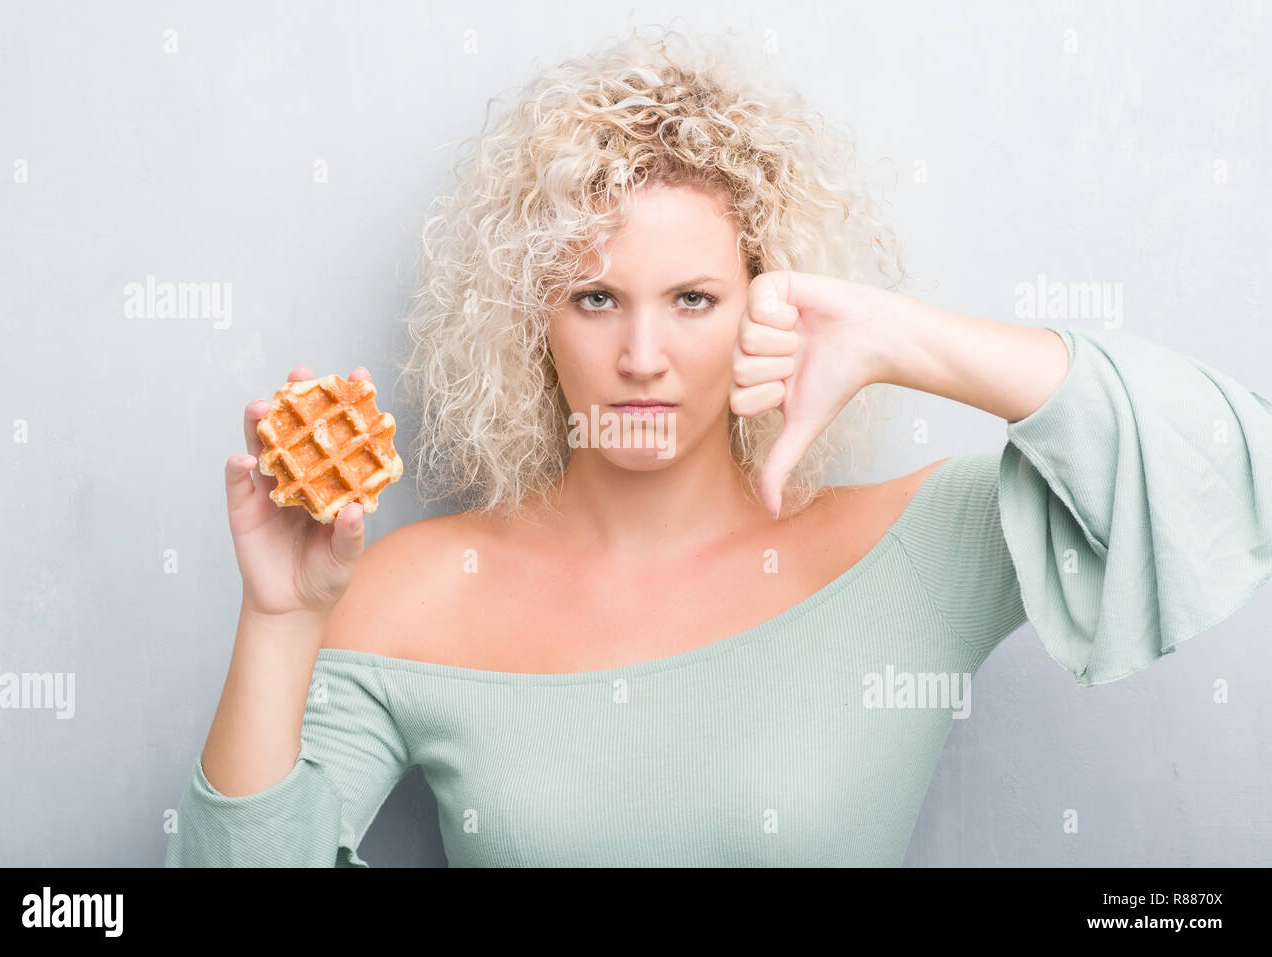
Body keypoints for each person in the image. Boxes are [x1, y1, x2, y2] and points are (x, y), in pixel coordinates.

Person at [165, 28, 1272, 867]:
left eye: (694, 298)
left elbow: (1228, 469)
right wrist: (277, 621)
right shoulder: (412, 592)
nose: (643, 354)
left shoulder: (923, 551)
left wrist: (907, 341)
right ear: (528, 322)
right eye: (595, 297)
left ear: (766, 301)